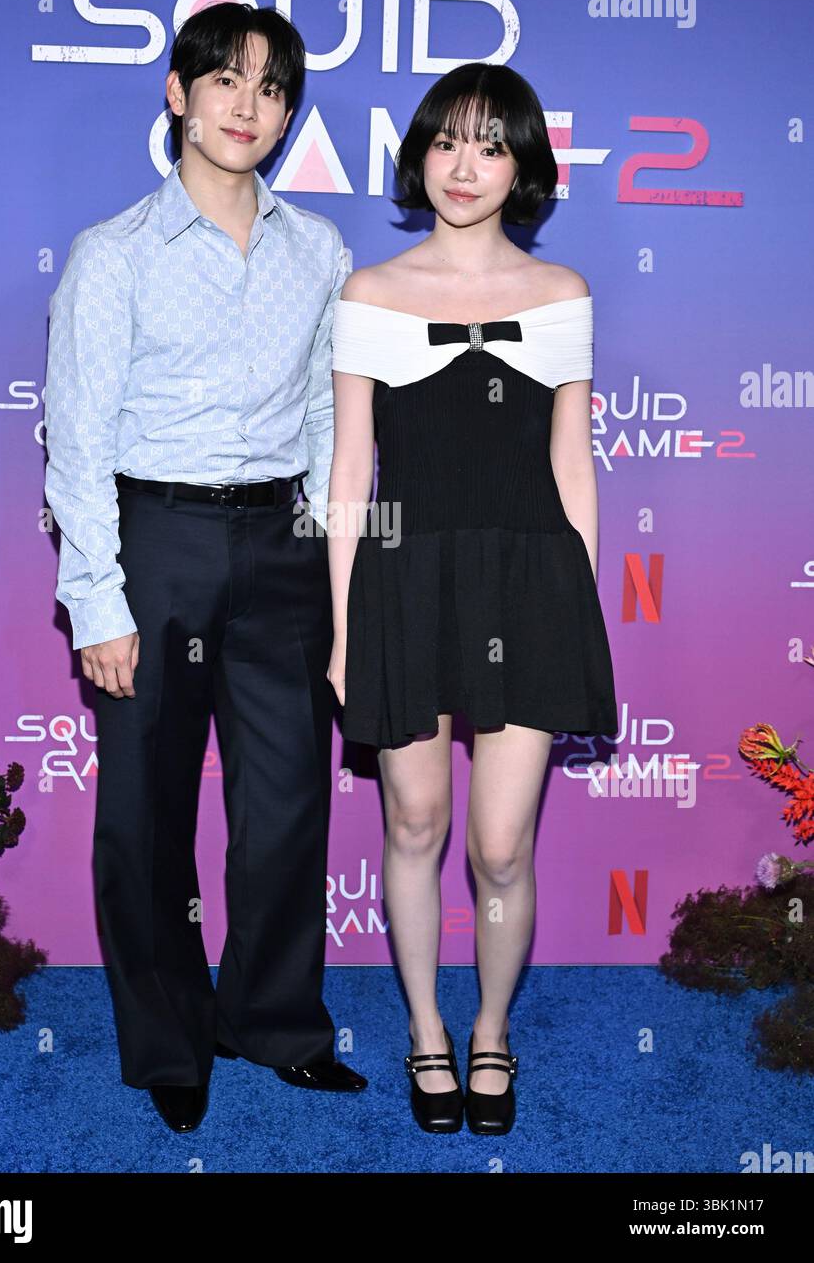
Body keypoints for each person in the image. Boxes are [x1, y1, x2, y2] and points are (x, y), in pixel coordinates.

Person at [43, 2, 366, 1135]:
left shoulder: (319, 251)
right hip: (156, 543)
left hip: (280, 546)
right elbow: (75, 440)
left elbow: (333, 430)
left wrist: (338, 583)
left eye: (273, 87)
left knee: (287, 804)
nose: (248, 104)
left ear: (288, 114)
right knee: (145, 814)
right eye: (225, 79)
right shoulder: (113, 255)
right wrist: (98, 597)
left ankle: (274, 1020)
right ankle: (171, 1037)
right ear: (177, 94)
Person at [326, 63, 619, 1136]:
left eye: (491, 144)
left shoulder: (564, 295)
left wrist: (576, 608)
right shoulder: (370, 291)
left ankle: (491, 1025)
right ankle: (425, 1028)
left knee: (500, 844)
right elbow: (349, 475)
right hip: (404, 578)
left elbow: (575, 467)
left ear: (524, 165)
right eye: (447, 140)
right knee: (415, 817)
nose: (464, 165)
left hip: (529, 580)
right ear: (420, 156)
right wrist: (346, 625)